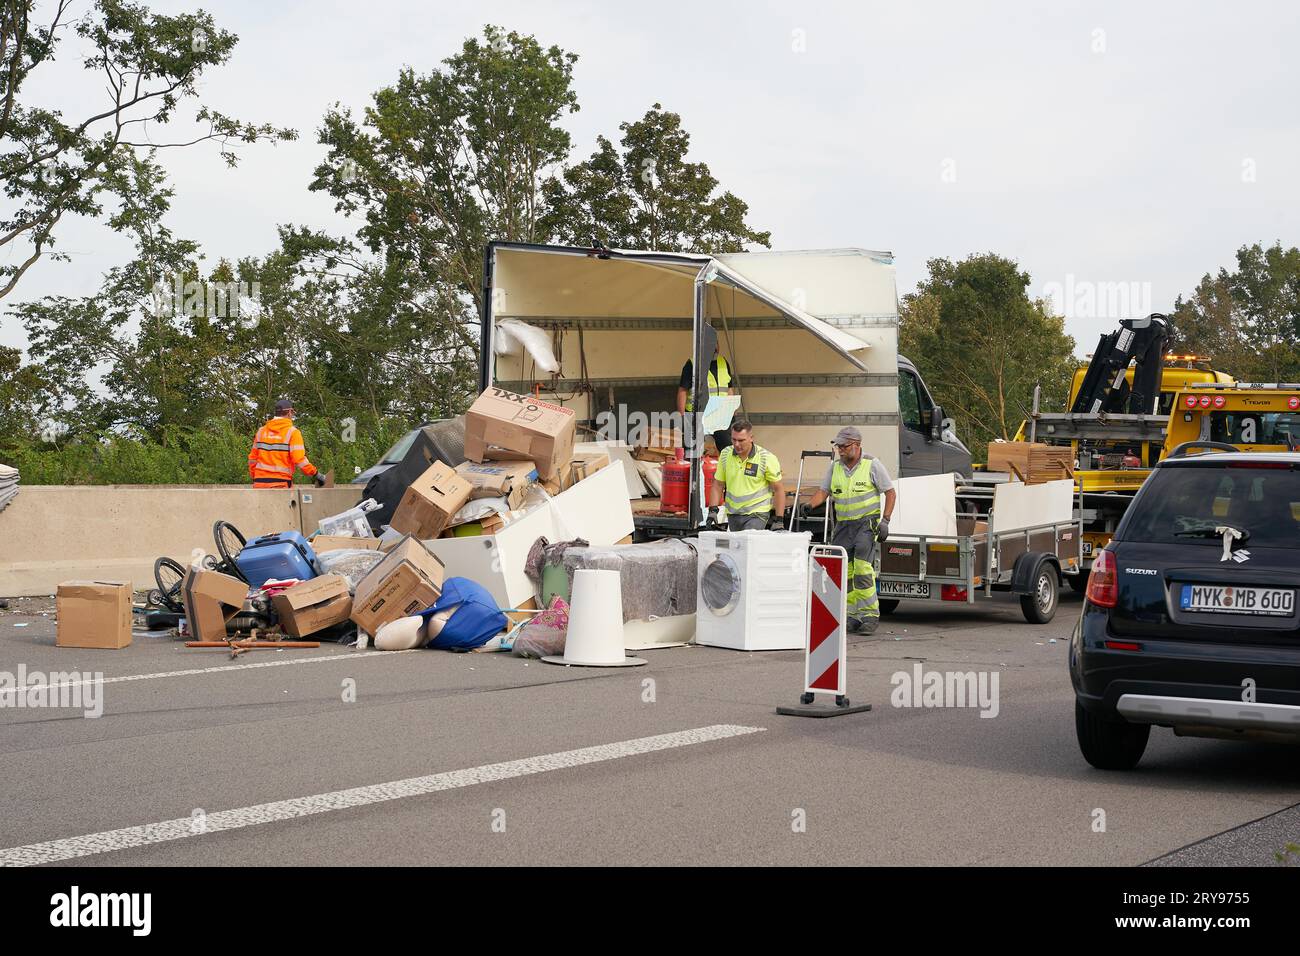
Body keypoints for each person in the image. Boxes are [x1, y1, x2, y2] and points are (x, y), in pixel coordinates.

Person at [801, 426, 896, 635]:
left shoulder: (872, 464)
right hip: (843, 527)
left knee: (862, 570)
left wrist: (885, 520)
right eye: (838, 446)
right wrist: (809, 505)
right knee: (847, 572)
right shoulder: (835, 467)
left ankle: (870, 616)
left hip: (865, 525)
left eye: (844, 446)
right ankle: (852, 616)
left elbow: (890, 493)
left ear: (857, 445)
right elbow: (823, 491)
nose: (840, 450)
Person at [708, 419, 786, 532]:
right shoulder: (725, 454)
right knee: (737, 548)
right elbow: (718, 485)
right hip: (733, 513)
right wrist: (712, 510)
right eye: (733, 440)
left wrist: (779, 520)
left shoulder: (766, 458)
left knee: (746, 544)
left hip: (757, 513)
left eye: (741, 440)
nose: (736, 444)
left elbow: (779, 489)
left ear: (751, 438)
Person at [247, 399, 325, 489]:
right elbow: (299, 459)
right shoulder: (293, 432)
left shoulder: (261, 431)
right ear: (289, 412)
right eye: (292, 413)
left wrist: (255, 476)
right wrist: (316, 474)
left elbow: (252, 459)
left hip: (259, 483)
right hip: (280, 484)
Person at [677, 347, 736, 451]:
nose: (715, 348)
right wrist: (682, 416)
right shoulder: (692, 364)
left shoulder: (723, 362)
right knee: (692, 452)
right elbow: (683, 391)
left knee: (727, 448)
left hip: (719, 414)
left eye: (717, 344)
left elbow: (729, 388)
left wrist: (731, 409)